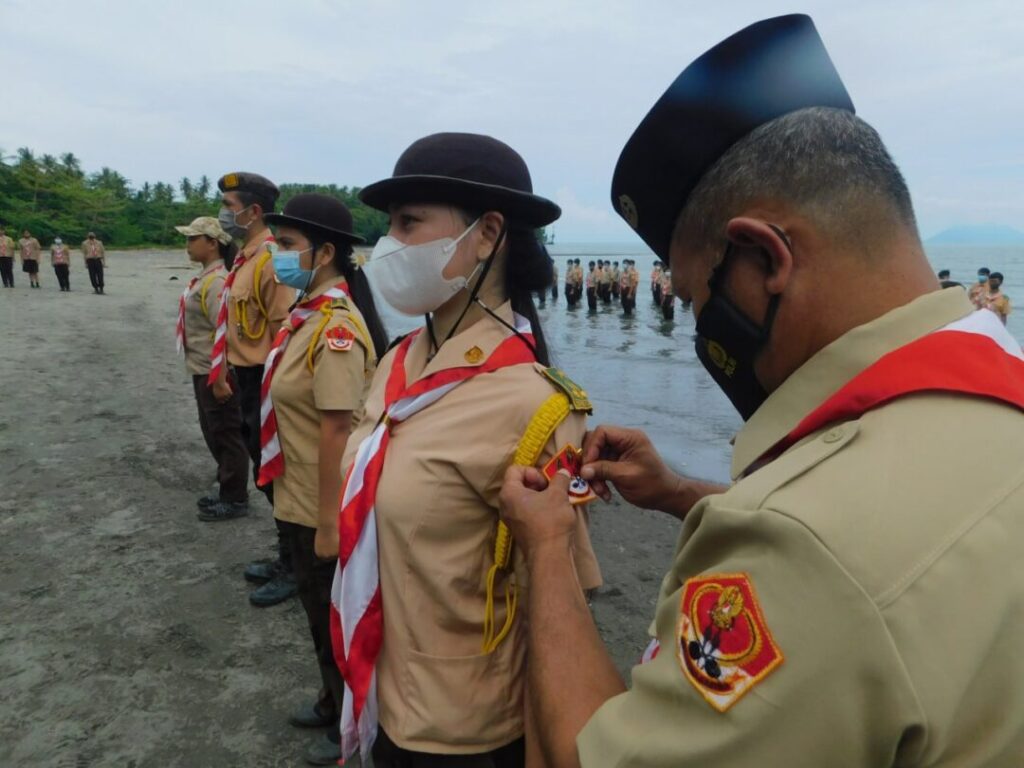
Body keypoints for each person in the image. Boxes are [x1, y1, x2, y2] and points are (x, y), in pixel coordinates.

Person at [498, 15, 1024, 767]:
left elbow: (584, 757)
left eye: (691, 299)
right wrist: (683, 492)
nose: (695, 330)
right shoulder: (994, 393)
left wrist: (547, 546)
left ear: (763, 260)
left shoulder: (802, 543)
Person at [332, 132, 602, 767]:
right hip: (379, 691)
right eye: (387, 227)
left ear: (486, 234)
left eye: (408, 223)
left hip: (467, 729)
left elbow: (557, 609)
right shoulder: (397, 363)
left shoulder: (538, 406)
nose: (388, 246)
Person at [258, 194, 388, 766]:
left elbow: (337, 427)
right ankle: (330, 697)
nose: (276, 257)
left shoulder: (334, 327)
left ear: (326, 252)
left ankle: (348, 724)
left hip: (321, 503)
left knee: (330, 616)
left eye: (286, 246)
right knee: (314, 611)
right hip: (297, 494)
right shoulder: (305, 315)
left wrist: (331, 524)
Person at [213, 171, 298, 606]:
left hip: (263, 379)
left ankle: (295, 563)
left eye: (229, 207)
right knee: (263, 470)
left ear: (253, 211)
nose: (224, 215)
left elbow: (283, 326)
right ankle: (289, 553)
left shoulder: (269, 258)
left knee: (275, 473)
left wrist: (270, 389)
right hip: (245, 375)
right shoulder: (244, 256)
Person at [173, 216, 250, 522]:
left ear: (212, 243)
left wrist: (220, 377)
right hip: (202, 368)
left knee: (226, 433)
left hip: (214, 371)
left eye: (193, 238)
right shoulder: (205, 277)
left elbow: (224, 333)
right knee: (213, 431)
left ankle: (234, 498)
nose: (188, 244)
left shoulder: (217, 282)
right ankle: (226, 488)